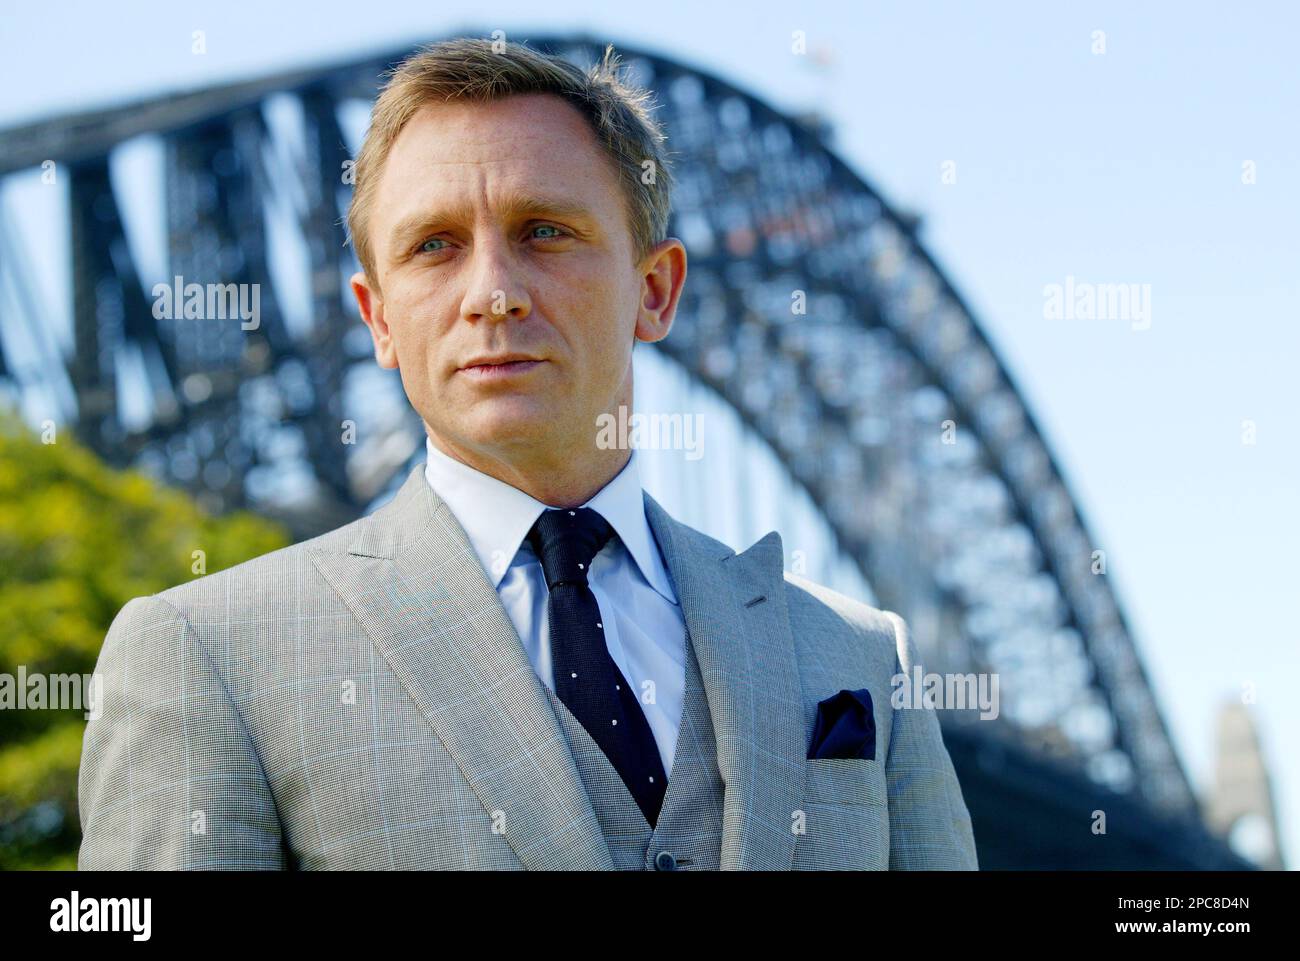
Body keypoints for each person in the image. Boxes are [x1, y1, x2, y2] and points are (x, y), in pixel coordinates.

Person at [78, 37, 977, 870]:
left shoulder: (855, 656)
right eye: (435, 247)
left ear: (655, 290)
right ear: (379, 318)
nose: (494, 294)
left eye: (545, 230)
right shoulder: (208, 655)